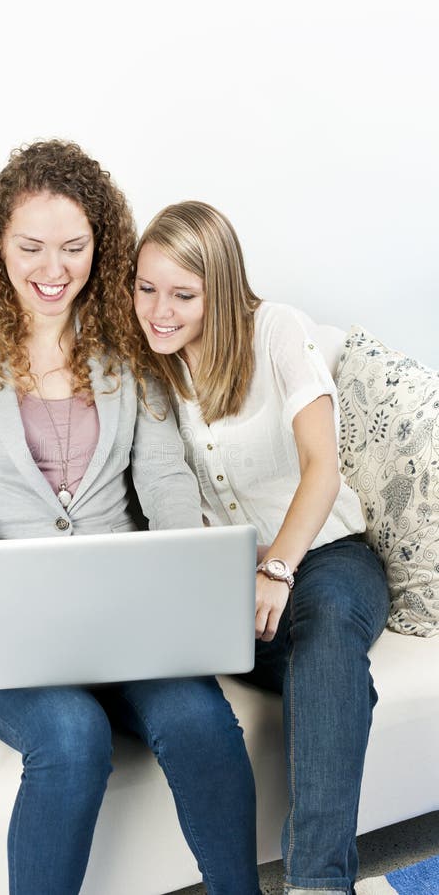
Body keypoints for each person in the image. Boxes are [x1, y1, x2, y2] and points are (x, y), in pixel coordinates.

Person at [0, 144, 261, 895]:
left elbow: (163, 476)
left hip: (126, 612)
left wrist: (187, 573)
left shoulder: (127, 342)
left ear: (101, 247)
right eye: (30, 247)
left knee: (200, 722)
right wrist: (3, 589)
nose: (53, 268)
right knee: (71, 738)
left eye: (74, 247)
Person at [133, 200, 390, 895]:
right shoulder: (148, 373)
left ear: (219, 289)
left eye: (183, 295)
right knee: (332, 672)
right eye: (146, 288)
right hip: (232, 589)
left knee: (329, 626)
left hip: (328, 557)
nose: (160, 311)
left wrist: (278, 566)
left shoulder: (276, 329)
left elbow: (322, 466)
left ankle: (315, 884)